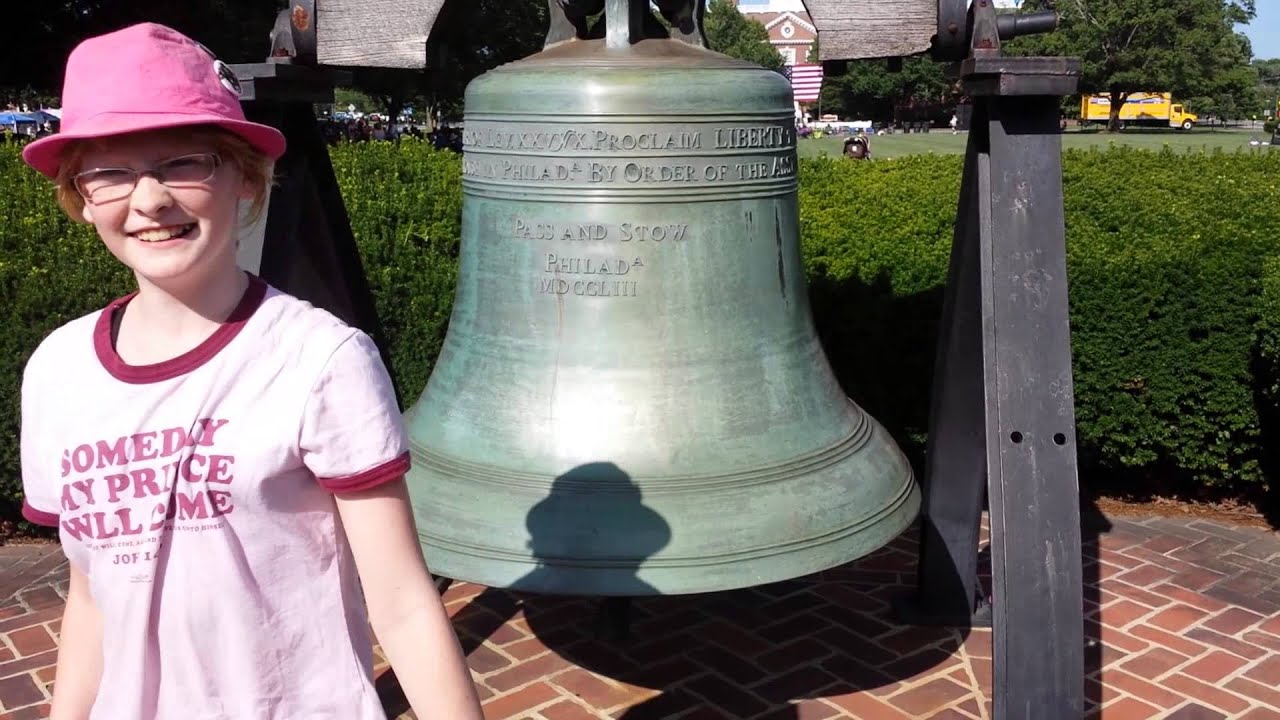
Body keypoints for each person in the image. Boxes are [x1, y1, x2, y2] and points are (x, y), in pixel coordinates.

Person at [18, 23, 484, 720]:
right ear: (82, 198)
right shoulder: (57, 370)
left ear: (243, 175)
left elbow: (402, 603)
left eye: (185, 162)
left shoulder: (320, 360)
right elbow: (90, 594)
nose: (149, 200)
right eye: (110, 171)